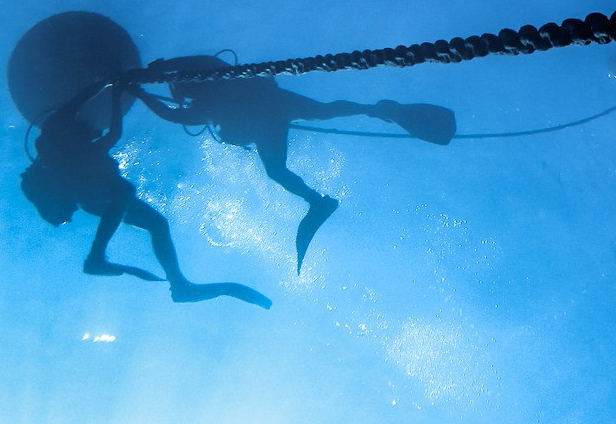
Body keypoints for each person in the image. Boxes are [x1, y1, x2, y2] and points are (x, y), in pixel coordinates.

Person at [128, 55, 456, 271]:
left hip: (265, 115)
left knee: (282, 162)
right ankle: (376, 112)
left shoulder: (211, 84)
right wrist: (152, 80)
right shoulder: (211, 88)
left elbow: (175, 111)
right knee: (318, 116)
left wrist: (144, 88)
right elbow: (179, 107)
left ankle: (318, 200)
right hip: (271, 111)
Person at [20, 77, 272, 308]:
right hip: (93, 194)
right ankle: (97, 257)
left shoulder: (58, 133)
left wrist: (109, 83)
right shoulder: (81, 152)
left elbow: (82, 99)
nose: (93, 130)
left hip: (92, 199)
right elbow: (112, 133)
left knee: (156, 223)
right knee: (125, 192)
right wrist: (116, 95)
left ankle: (179, 285)